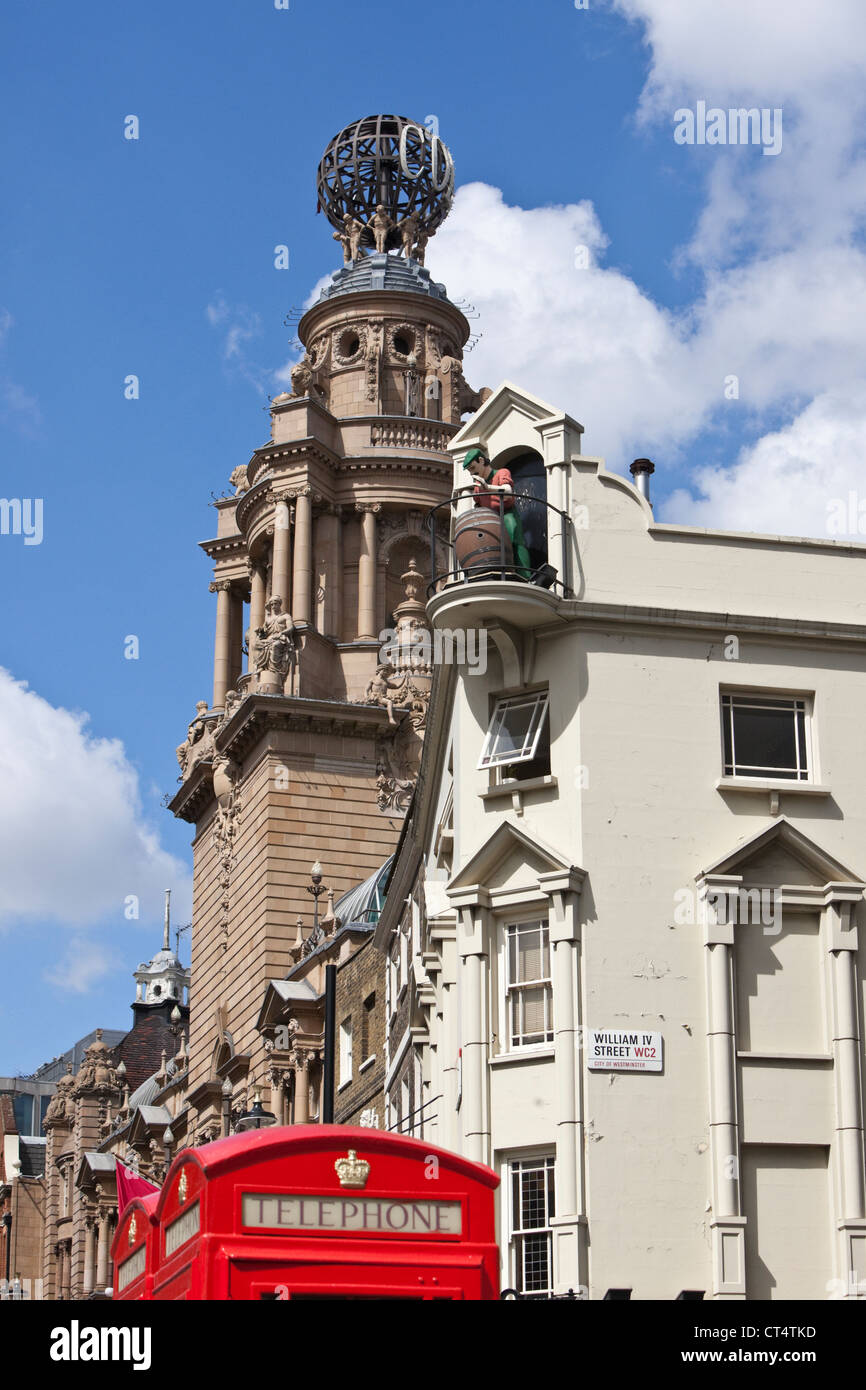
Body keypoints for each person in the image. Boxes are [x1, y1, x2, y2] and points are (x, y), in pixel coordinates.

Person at [461, 447, 532, 579]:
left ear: (481, 460)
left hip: (507, 514)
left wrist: (487, 488)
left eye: (472, 467)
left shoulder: (501, 473)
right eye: (469, 470)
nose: (472, 473)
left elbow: (508, 492)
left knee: (512, 532)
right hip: (490, 519)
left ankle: (525, 575)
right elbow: (478, 505)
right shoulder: (477, 487)